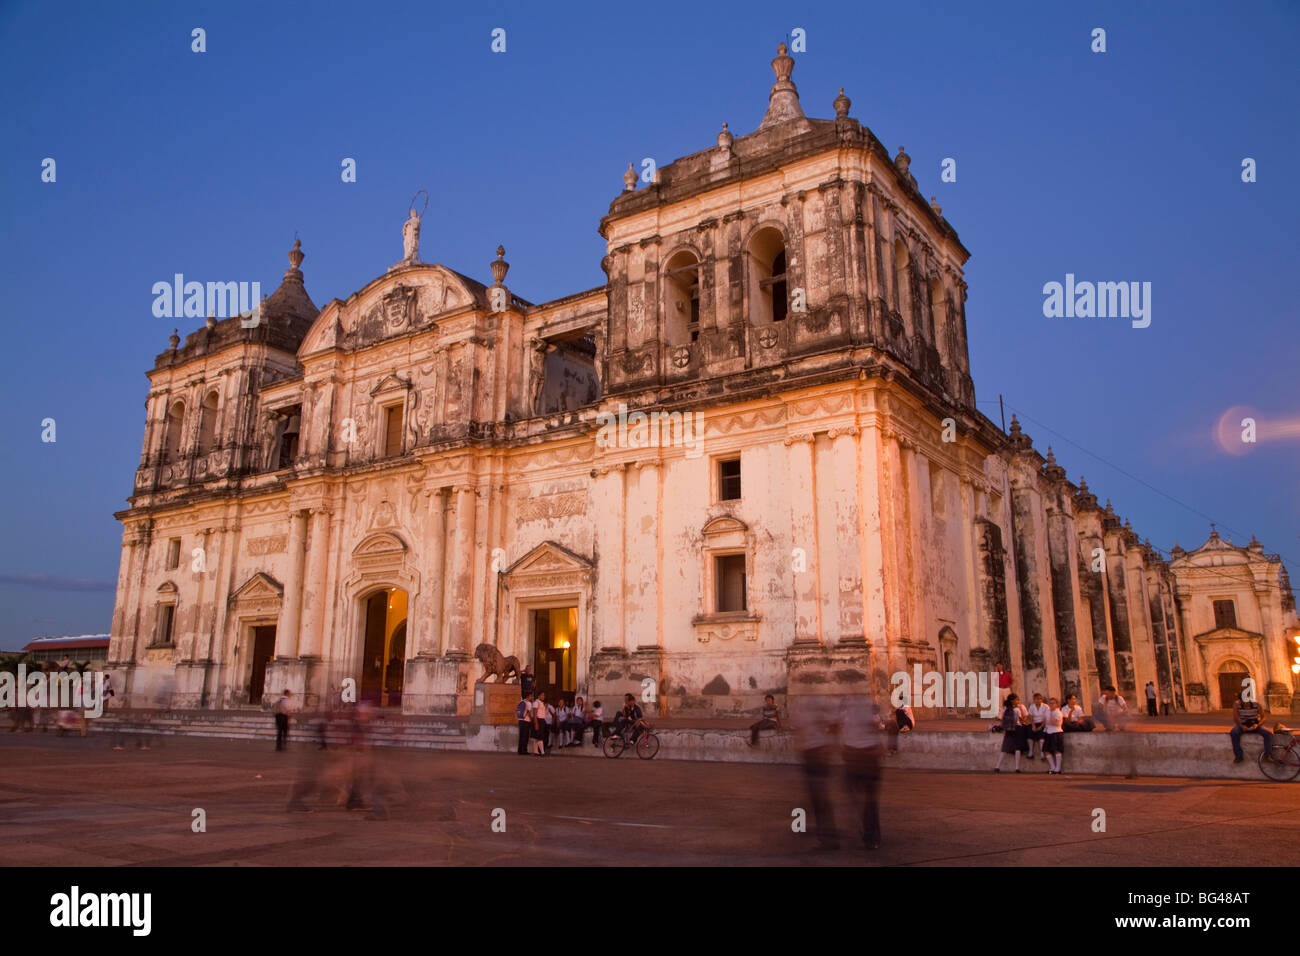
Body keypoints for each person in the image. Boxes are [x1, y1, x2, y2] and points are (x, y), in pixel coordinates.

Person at [794, 695, 840, 850]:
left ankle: (828, 837)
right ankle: (826, 835)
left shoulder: (809, 705)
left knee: (819, 798)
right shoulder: (806, 705)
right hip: (813, 756)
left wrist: (828, 747)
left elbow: (834, 726)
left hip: (816, 756)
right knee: (818, 798)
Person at [841, 695, 885, 849]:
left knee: (862, 799)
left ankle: (869, 833)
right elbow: (877, 724)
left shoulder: (847, 706)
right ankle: (871, 835)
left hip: (856, 756)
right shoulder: (868, 704)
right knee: (869, 801)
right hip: (866, 756)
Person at [1229, 691, 1273, 764]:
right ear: (1240, 700)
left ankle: (1268, 755)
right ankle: (1239, 756)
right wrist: (1242, 726)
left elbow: (1264, 718)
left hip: (1255, 724)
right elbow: (1235, 718)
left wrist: (1257, 725)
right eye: (1243, 701)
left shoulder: (1257, 704)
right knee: (1234, 733)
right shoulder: (1237, 704)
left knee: (1267, 734)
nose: (1245, 703)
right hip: (1242, 724)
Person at [993, 693, 1029, 772]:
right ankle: (1017, 767)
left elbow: (1001, 718)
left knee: (1005, 748)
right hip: (1017, 729)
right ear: (1013, 701)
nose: (1018, 701)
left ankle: (997, 766)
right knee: (1017, 748)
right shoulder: (1017, 709)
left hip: (1008, 729)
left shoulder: (1005, 708)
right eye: (1016, 700)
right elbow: (1022, 720)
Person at [1043, 696, 1065, 774]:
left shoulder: (1058, 712)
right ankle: (1052, 767)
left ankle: (1058, 769)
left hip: (1056, 732)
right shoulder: (1047, 711)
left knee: (1057, 750)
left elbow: (1054, 723)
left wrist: (1052, 713)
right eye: (1050, 703)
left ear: (1056, 704)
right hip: (1048, 732)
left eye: (1053, 703)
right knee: (1046, 750)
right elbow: (1045, 721)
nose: (1051, 705)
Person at [1027, 692, 1049, 760]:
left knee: (1041, 736)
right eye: (1036, 699)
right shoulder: (1032, 706)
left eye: (1039, 699)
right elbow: (1030, 716)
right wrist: (1033, 725)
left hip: (1043, 723)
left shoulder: (1045, 706)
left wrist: (1041, 726)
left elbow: (1046, 717)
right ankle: (1030, 752)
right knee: (1029, 734)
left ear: (1041, 699)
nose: (1038, 700)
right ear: (1034, 700)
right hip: (1034, 723)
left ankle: (1042, 753)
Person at [530, 691, 547, 755]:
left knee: (537, 736)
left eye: (544, 695)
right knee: (540, 736)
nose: (543, 696)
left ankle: (536, 751)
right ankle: (542, 752)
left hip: (542, 720)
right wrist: (536, 723)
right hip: (538, 720)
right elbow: (534, 713)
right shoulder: (536, 703)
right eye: (542, 695)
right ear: (538, 696)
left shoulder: (541, 703)